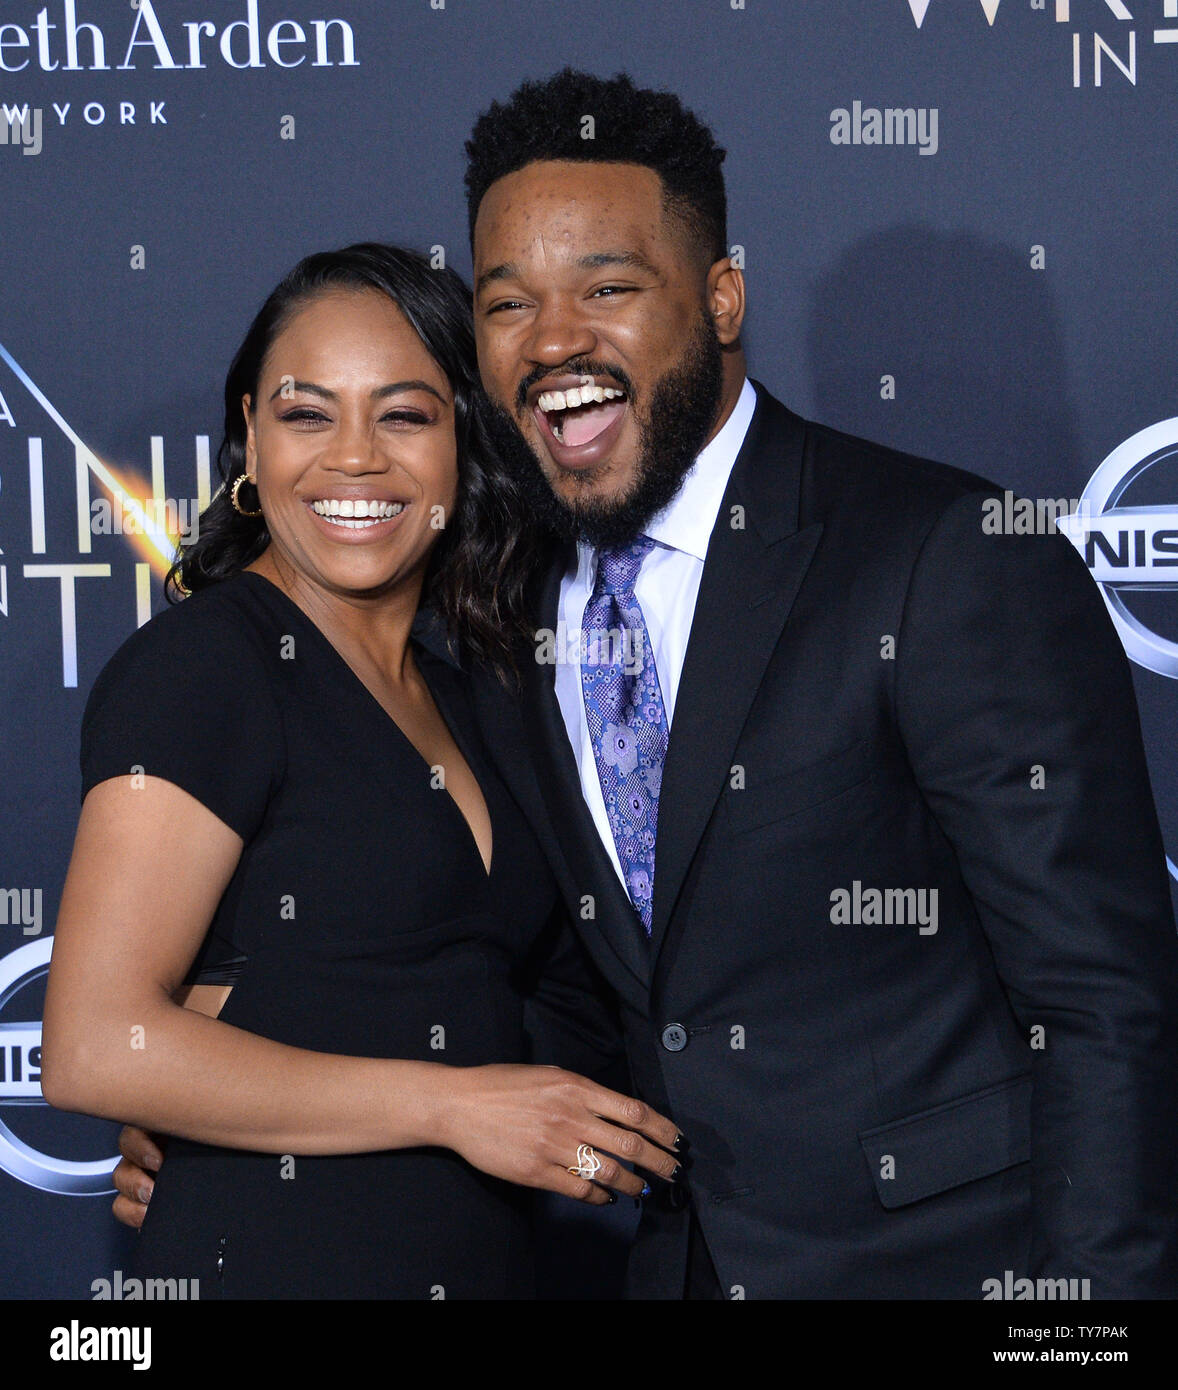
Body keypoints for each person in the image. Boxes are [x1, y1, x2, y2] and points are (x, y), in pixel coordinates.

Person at [114, 70, 1178, 1301]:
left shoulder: (937, 556)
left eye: (607, 289)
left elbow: (1103, 1001)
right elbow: (551, 995)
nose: (555, 340)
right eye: (508, 304)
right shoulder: (497, 610)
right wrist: (237, 1107)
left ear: (721, 298)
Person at [41, 242, 681, 1301]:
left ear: (461, 443)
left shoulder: (474, 689)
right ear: (249, 430)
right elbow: (98, 1044)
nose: (353, 459)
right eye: (305, 414)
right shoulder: (207, 666)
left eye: (402, 414)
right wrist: (450, 1105)